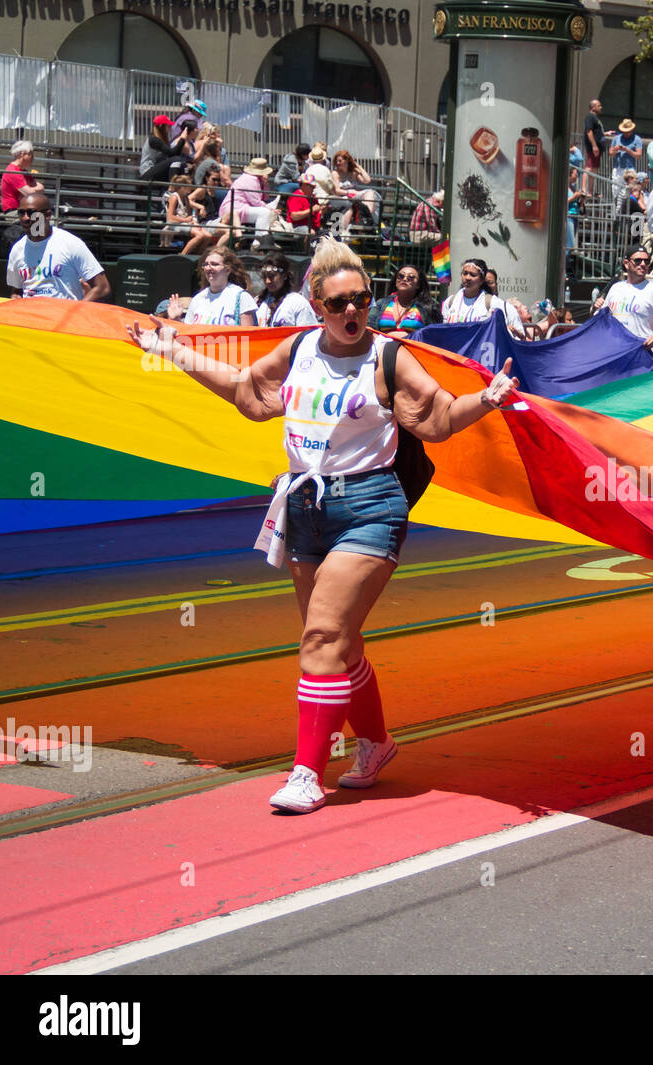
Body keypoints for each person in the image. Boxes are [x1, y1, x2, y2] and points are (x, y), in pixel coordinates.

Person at [126, 240, 520, 813]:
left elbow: (435, 419)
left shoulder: (389, 356)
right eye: (339, 304)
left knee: (320, 638)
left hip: (370, 508)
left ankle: (307, 772)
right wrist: (174, 351)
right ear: (317, 306)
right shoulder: (299, 348)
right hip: (303, 510)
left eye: (361, 300)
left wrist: (486, 399)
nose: (353, 312)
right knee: (341, 641)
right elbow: (247, 391)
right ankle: (378, 744)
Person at [7, 192, 110, 302]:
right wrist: (15, 299)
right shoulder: (17, 249)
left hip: (63, 317)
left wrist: (75, 312)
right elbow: (17, 291)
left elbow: (102, 288)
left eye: (31, 212)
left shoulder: (70, 243)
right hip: (31, 318)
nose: (25, 218)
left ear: (47, 215)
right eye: (21, 213)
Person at [594, 246, 653, 351]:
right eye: (638, 260)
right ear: (626, 263)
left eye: (646, 261)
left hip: (641, 354)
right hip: (614, 352)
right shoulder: (616, 288)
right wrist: (596, 308)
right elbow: (600, 319)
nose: (643, 264)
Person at [164, 246, 258, 326]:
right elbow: (188, 334)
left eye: (214, 264)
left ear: (228, 270)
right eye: (206, 264)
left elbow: (249, 338)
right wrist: (175, 319)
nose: (208, 268)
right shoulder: (198, 299)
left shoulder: (241, 297)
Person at [440, 257, 525, 336]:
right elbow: (443, 332)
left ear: (481, 280)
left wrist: (511, 331)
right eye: (465, 273)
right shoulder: (451, 301)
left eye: (473, 275)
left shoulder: (493, 303)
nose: (467, 278)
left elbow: (520, 334)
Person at [254, 251, 319, 328]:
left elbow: (309, 333)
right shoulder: (258, 301)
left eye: (272, 277)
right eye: (264, 277)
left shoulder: (297, 302)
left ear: (284, 276)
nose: (268, 281)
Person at [161, 174, 215, 255]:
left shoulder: (186, 198)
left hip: (185, 222)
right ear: (182, 187)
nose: (191, 187)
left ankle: (197, 255)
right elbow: (170, 217)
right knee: (199, 235)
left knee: (208, 236)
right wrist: (185, 220)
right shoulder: (174, 197)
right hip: (175, 223)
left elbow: (189, 214)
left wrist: (193, 222)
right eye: (188, 186)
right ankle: (183, 255)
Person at [1, 140, 45, 213]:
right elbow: (30, 194)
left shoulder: (24, 172)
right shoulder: (13, 171)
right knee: (45, 220)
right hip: (14, 211)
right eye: (31, 154)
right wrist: (33, 189)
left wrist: (32, 189)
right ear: (22, 154)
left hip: (24, 210)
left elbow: (41, 189)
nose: (33, 158)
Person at [582, 99, 608, 190]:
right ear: (593, 107)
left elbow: (597, 132)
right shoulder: (590, 117)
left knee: (595, 168)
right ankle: (584, 188)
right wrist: (594, 145)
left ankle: (591, 191)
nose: (601, 107)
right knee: (589, 167)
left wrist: (606, 133)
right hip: (594, 148)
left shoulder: (596, 119)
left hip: (598, 148)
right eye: (599, 105)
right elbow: (589, 131)